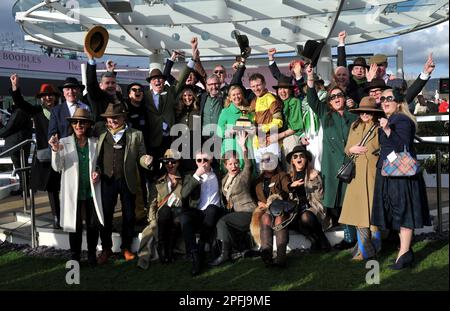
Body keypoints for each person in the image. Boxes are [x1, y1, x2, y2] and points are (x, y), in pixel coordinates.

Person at [371, 88, 431, 269]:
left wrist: (388, 129)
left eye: (389, 98)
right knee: (397, 212)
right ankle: (404, 253)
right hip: (391, 173)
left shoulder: (402, 119)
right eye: (382, 99)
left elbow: (402, 145)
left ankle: (404, 254)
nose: (385, 101)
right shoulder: (391, 119)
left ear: (398, 102)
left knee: (403, 212)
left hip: (400, 175)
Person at [305, 64, 358, 250]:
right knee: (336, 205)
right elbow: (312, 98)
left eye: (339, 95)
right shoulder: (325, 115)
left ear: (344, 98)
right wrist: (310, 77)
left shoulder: (354, 116)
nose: (336, 98)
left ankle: (352, 238)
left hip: (351, 165)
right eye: (332, 96)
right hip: (332, 166)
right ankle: (349, 235)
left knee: (351, 202)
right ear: (329, 101)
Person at [96, 103, 153, 264]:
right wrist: (97, 170)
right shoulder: (100, 135)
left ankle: (126, 247)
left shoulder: (136, 134)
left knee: (129, 215)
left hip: (128, 180)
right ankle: (106, 248)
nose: (113, 120)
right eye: (110, 118)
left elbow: (141, 156)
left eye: (116, 117)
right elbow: (97, 159)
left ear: (123, 117)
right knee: (105, 215)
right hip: (107, 180)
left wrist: (146, 160)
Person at [49, 108, 104, 266]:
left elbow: (99, 164)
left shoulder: (95, 142)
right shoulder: (63, 142)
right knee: (75, 226)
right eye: (75, 122)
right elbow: (56, 167)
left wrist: (98, 172)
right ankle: (75, 256)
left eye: (82, 122)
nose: (79, 125)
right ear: (71, 125)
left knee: (93, 225)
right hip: (74, 192)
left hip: (91, 191)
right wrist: (55, 150)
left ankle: (92, 254)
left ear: (88, 124)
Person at [10, 74, 62, 228]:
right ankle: (56, 217)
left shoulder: (62, 111)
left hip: (63, 153)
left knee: (66, 186)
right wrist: (15, 87)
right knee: (52, 188)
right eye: (45, 96)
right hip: (46, 155)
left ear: (55, 97)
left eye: (51, 95)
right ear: (41, 98)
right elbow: (20, 103)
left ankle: (69, 214)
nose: (48, 98)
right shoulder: (37, 111)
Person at [338, 97, 383, 261]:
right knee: (358, 214)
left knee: (373, 214)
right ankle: (365, 251)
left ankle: (373, 247)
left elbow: (383, 147)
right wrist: (351, 148)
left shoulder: (379, 127)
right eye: (362, 111)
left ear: (374, 113)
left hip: (373, 175)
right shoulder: (354, 125)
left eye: (368, 111)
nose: (365, 114)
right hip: (356, 176)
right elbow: (346, 149)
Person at [209, 132, 256, 266]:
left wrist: (243, 147)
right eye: (230, 164)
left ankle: (224, 255)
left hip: (248, 212)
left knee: (223, 222)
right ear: (225, 165)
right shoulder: (224, 180)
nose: (233, 166)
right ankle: (232, 252)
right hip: (235, 213)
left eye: (235, 163)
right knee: (219, 221)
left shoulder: (243, 176)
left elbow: (249, 165)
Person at [137, 149, 184, 269]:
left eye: (173, 162)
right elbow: (152, 203)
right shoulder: (158, 181)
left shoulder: (184, 180)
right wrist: (152, 220)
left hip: (177, 216)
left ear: (178, 163)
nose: (170, 165)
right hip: (161, 217)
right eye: (166, 162)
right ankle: (156, 253)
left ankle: (169, 250)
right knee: (148, 232)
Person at [180, 150, 223, 276]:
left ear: (210, 160)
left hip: (215, 211)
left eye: (205, 160)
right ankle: (194, 254)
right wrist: (196, 176)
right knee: (184, 218)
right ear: (196, 162)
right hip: (198, 212)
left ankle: (201, 247)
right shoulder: (190, 176)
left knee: (211, 208)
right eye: (199, 160)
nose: (202, 163)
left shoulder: (219, 174)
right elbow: (183, 194)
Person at [286, 145, 331, 251]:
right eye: (295, 156)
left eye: (302, 156)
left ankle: (322, 240)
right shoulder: (288, 177)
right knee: (291, 220)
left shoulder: (313, 173)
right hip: (296, 209)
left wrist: (314, 181)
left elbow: (320, 196)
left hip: (313, 207)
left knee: (305, 217)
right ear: (292, 161)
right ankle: (314, 240)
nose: (299, 158)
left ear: (306, 159)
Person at [251, 152, 291, 267]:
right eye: (265, 161)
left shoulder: (281, 175)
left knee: (279, 219)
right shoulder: (258, 181)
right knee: (265, 219)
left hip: (280, 207)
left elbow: (286, 186)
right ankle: (267, 255)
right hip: (266, 211)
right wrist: (258, 202)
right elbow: (254, 196)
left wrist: (291, 186)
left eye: (270, 160)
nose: (267, 163)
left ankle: (281, 258)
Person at [249, 73, 283, 171]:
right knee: (261, 175)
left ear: (264, 84)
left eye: (258, 85)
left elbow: (279, 121)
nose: (256, 88)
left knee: (274, 172)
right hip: (257, 144)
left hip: (270, 142)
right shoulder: (253, 101)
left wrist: (261, 129)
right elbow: (251, 121)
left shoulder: (271, 98)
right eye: (253, 86)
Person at [0, 96, 33, 196]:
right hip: (18, 143)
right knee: (21, 167)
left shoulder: (19, 111)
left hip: (18, 144)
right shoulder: (19, 111)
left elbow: (9, 128)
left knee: (21, 167)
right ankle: (24, 188)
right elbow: (10, 127)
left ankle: (25, 189)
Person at [217, 84, 254, 170]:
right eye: (233, 95)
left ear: (242, 95)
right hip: (230, 146)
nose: (236, 96)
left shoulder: (248, 111)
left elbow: (252, 129)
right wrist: (235, 129)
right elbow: (219, 131)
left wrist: (251, 129)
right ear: (229, 98)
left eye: (238, 94)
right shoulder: (225, 111)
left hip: (246, 145)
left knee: (246, 170)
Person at [174, 85, 201, 173]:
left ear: (193, 96)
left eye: (189, 95)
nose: (187, 98)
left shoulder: (197, 110)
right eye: (184, 95)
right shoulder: (178, 111)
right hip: (180, 148)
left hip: (194, 149)